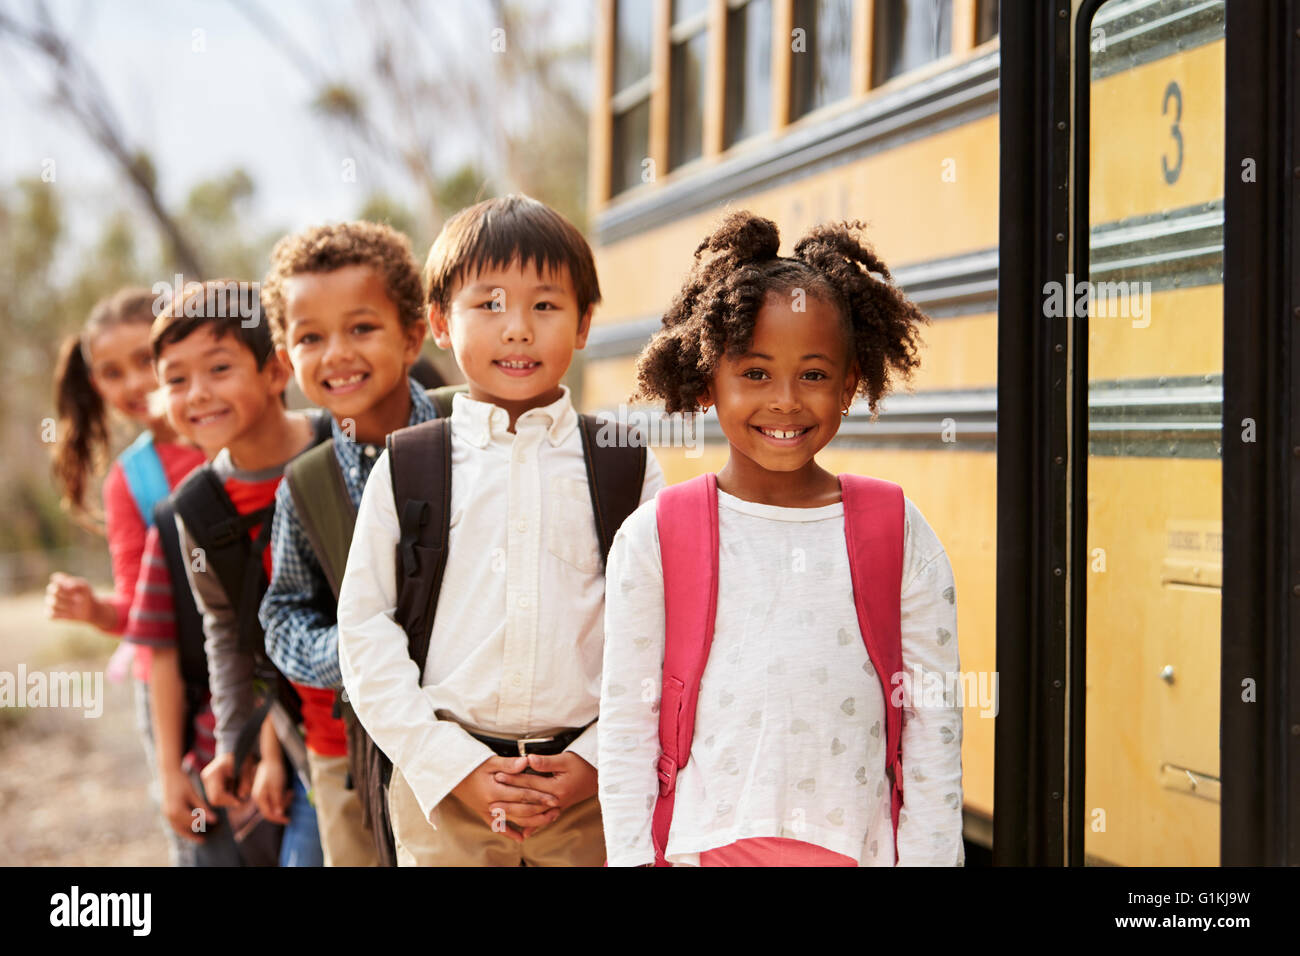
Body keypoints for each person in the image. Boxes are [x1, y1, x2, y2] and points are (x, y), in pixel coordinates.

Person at [599, 211, 964, 867]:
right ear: (709, 379)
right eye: (756, 373)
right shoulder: (657, 535)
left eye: (815, 375)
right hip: (704, 852)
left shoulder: (895, 528)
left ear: (851, 385)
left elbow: (933, 725)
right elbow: (627, 726)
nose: (787, 402)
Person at [337, 194, 664, 866]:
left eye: (545, 305)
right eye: (488, 304)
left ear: (583, 324)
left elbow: (662, 627)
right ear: (438, 322)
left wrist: (595, 761)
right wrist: (448, 765)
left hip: (591, 799)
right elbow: (364, 631)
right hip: (447, 797)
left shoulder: (625, 465)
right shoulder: (408, 467)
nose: (517, 328)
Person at [259, 221, 443, 866]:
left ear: (412, 334)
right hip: (356, 763)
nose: (336, 352)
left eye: (361, 328)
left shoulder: (474, 427)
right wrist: (360, 653)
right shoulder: (305, 487)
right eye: (311, 336)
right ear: (286, 357)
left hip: (481, 749)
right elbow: (282, 617)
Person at [153, 279, 325, 866]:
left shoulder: (340, 451)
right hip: (310, 748)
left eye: (219, 368)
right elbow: (228, 631)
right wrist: (236, 744)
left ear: (276, 372)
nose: (196, 394)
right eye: (176, 379)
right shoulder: (196, 507)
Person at [45, 287, 206, 864]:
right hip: (175, 693)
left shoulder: (239, 437)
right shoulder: (131, 481)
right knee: (200, 834)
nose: (135, 384)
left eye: (145, 360)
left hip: (262, 680)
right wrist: (94, 610)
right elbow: (144, 616)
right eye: (113, 373)